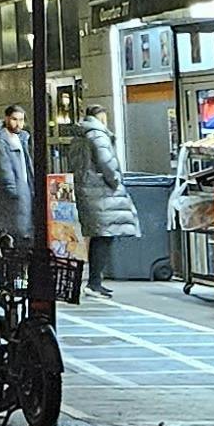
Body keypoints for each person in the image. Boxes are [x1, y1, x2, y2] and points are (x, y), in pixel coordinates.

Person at [64, 104, 140, 296]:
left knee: (98, 235)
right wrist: (115, 181)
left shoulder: (78, 136)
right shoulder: (97, 134)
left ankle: (94, 280)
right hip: (101, 191)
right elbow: (107, 162)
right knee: (104, 236)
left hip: (86, 188)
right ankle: (94, 282)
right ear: (100, 117)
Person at [0, 101, 31, 289]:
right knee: (13, 237)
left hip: (24, 193)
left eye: (21, 120)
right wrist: (13, 191)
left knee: (23, 238)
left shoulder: (23, 138)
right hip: (13, 198)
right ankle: (12, 277)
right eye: (14, 119)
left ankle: (18, 276)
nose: (18, 124)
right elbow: (2, 170)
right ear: (6, 118)